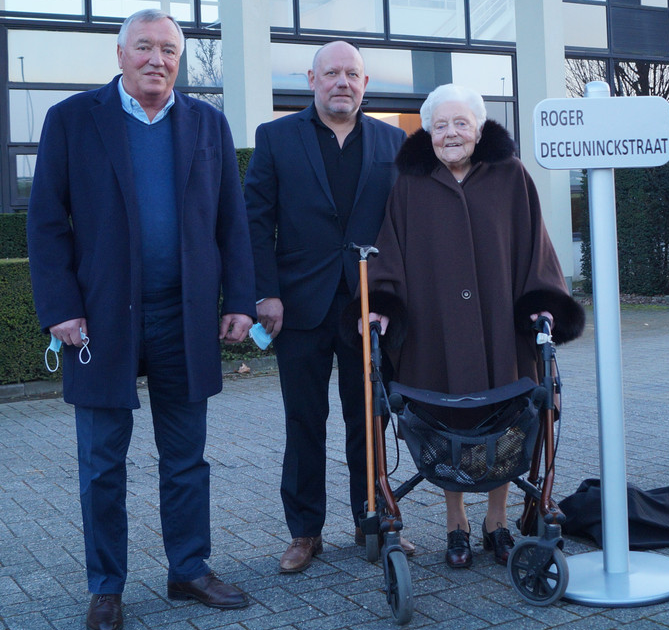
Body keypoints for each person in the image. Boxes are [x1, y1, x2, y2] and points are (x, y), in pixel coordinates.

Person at [27, 9, 256, 630]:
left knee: (186, 459)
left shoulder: (207, 123)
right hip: (101, 323)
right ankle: (106, 587)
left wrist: (239, 298)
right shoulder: (72, 121)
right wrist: (61, 309)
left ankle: (188, 568)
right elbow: (46, 223)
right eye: (145, 48)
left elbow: (231, 223)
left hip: (185, 318)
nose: (158, 60)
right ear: (120, 53)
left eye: (171, 51)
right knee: (102, 463)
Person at [364, 84, 585, 569]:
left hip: (501, 326)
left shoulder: (510, 175)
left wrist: (544, 303)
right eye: (439, 125)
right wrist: (381, 304)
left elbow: (537, 246)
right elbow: (390, 250)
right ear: (427, 132)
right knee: (445, 425)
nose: (450, 134)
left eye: (460, 123)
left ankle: (498, 522)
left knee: (505, 421)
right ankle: (456, 525)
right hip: (433, 329)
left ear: (479, 128)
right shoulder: (410, 183)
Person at [242, 39, 410, 573]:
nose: (342, 81)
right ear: (311, 80)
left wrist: (393, 295)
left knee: (370, 421)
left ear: (365, 85)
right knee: (304, 423)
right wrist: (264, 293)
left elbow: (405, 227)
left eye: (352, 74)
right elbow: (254, 222)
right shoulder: (275, 138)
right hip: (297, 308)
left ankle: (375, 523)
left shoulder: (393, 141)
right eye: (331, 72)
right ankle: (304, 533)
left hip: (367, 311)